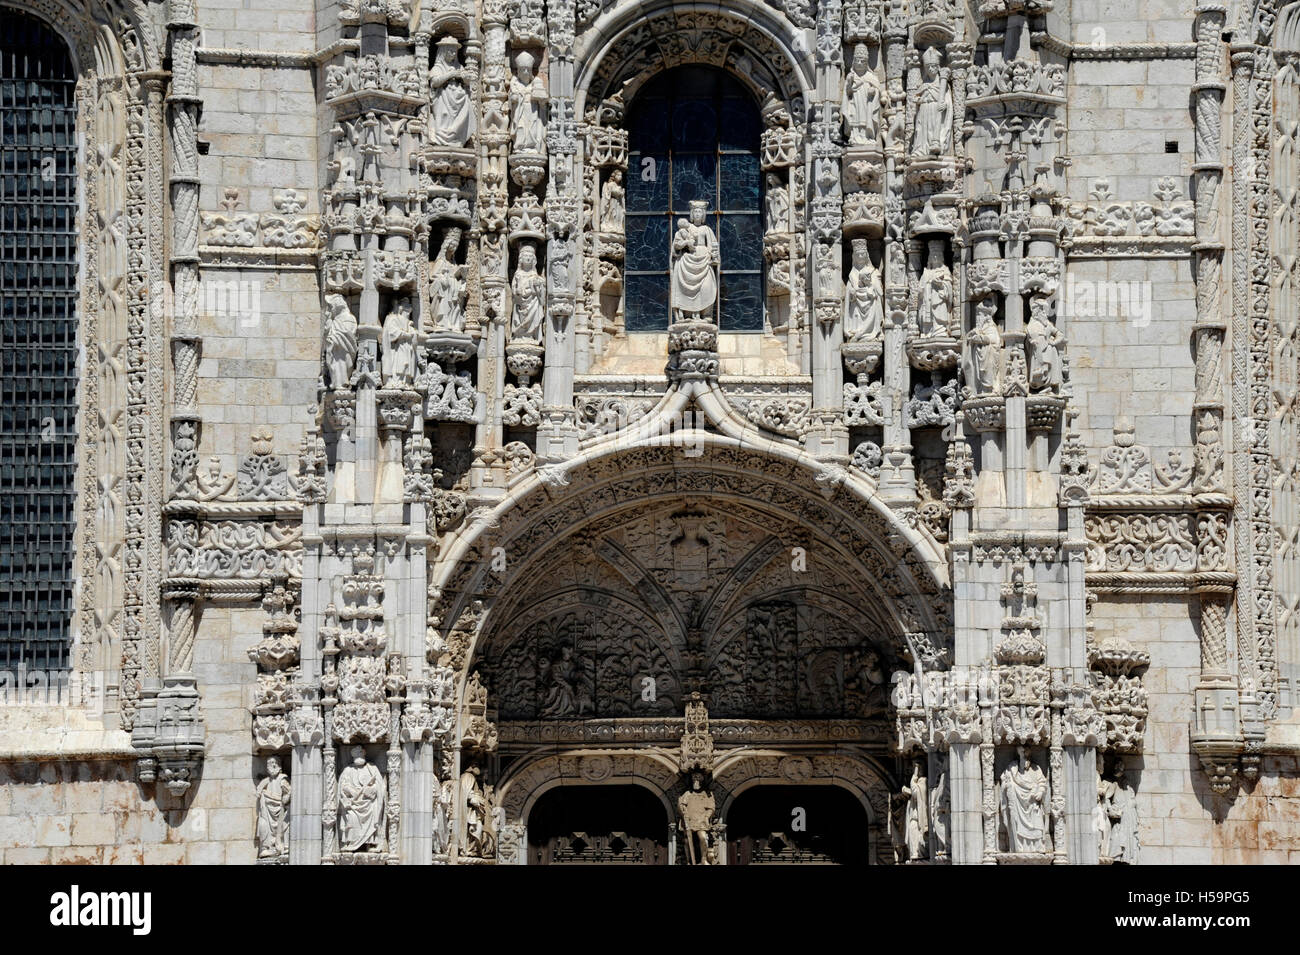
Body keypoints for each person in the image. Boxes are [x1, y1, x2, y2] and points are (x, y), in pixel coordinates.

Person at [671, 200, 719, 321]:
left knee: (707, 286)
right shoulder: (686, 228)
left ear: (703, 214)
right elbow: (677, 244)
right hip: (688, 259)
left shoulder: (707, 229)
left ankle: (706, 315)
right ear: (692, 213)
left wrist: (712, 255)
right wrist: (685, 244)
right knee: (688, 289)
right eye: (695, 211)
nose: (698, 214)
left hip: (704, 260)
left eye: (700, 212)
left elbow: (714, 245)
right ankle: (689, 314)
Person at [338, 746, 386, 851]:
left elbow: (380, 786)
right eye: (357, 755)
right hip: (353, 804)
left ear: (364, 755)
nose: (359, 757)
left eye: (361, 754)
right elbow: (342, 787)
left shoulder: (372, 768)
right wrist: (351, 792)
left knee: (372, 815)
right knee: (351, 819)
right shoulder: (348, 770)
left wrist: (371, 790)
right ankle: (350, 843)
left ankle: (370, 843)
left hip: (369, 802)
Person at [429, 36, 472, 147]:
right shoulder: (437, 67)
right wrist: (450, 75)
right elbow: (434, 82)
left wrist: (464, 77)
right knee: (443, 116)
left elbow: (468, 82)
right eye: (450, 51)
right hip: (443, 98)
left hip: (457, 98)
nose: (453, 54)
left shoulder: (459, 66)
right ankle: (441, 138)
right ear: (443, 52)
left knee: (466, 106)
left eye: (455, 51)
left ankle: (456, 138)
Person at [255, 756, 291, 859]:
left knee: (284, 826)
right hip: (267, 812)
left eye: (271, 764)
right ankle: (266, 847)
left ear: (277, 765)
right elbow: (258, 791)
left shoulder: (283, 778)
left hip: (280, 810)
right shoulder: (266, 781)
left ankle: (282, 846)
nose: (269, 767)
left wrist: (286, 798)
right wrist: (261, 792)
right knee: (263, 825)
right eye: (268, 765)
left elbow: (288, 792)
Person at [677, 771, 716, 865]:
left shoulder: (707, 793)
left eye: (698, 778)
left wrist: (707, 816)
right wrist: (683, 812)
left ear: (702, 779)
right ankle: (688, 861)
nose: (696, 780)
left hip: (701, 820)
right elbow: (681, 804)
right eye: (694, 778)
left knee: (703, 838)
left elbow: (711, 807)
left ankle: (703, 859)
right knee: (686, 840)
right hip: (689, 820)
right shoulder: (687, 793)